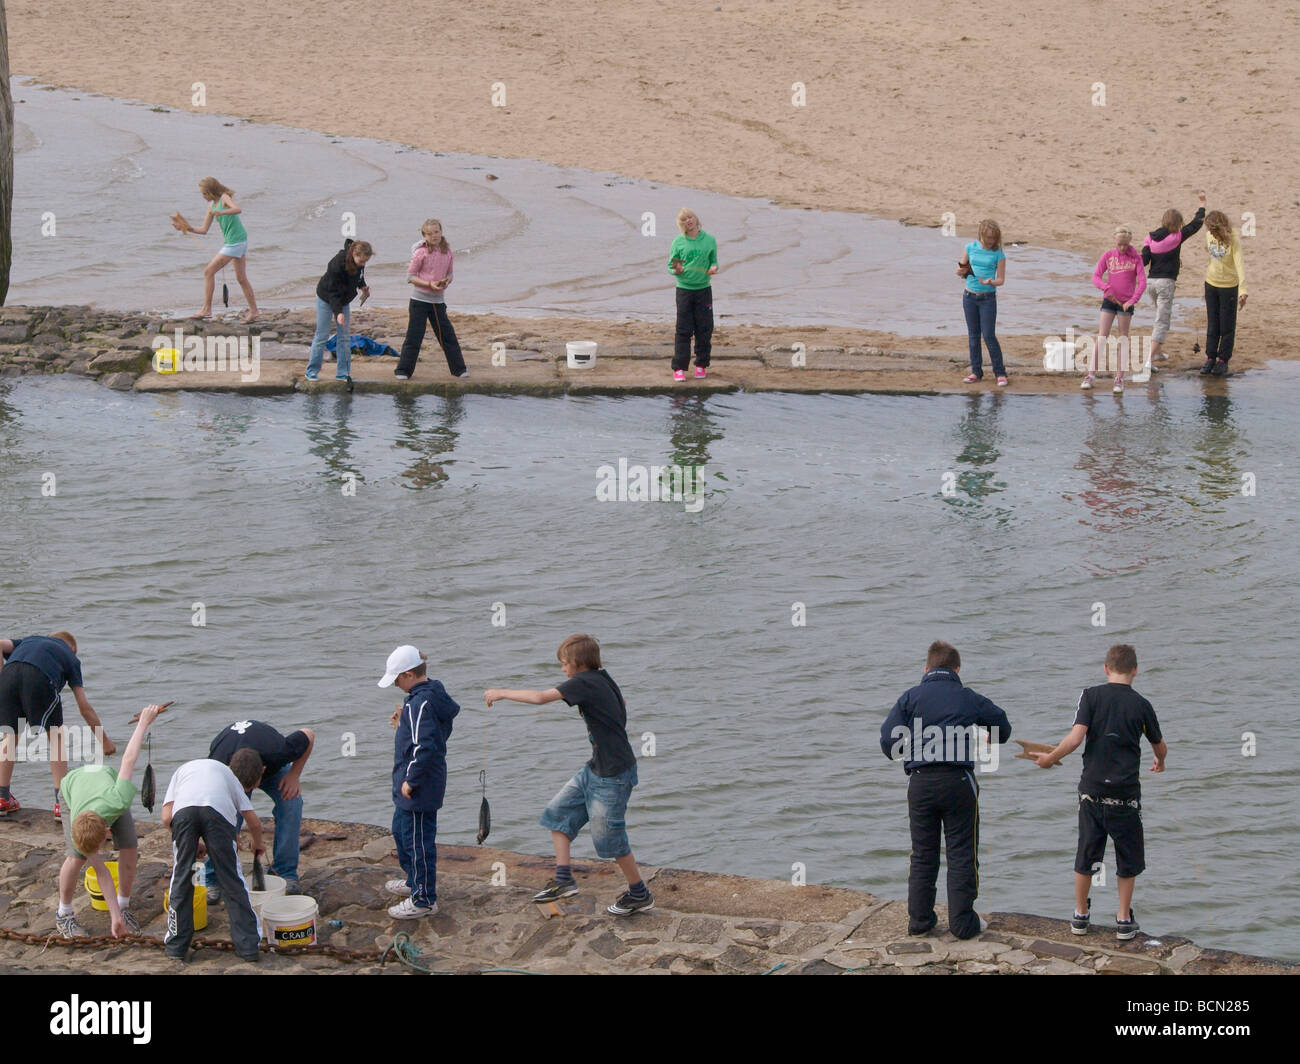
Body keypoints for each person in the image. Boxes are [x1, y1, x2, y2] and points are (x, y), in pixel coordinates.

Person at [484, 634, 652, 917]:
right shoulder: (602, 678)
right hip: (596, 768)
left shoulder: (584, 682)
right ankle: (564, 879)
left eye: (564, 663)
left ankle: (639, 893)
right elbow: (621, 700)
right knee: (558, 815)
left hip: (613, 775)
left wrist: (500, 692)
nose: (562, 669)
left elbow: (539, 698)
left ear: (579, 663)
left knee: (610, 839)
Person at [1029, 644, 1167, 942]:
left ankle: (1080, 914)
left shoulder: (1090, 696)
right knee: (1127, 857)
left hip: (1091, 792)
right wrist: (1161, 760)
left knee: (1087, 852)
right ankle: (1123, 918)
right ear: (1135, 670)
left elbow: (1076, 737)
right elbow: (1159, 745)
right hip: (1125, 796)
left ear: (1106, 669)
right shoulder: (1142, 705)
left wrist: (1050, 759)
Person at [879, 640, 1012, 939]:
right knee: (962, 852)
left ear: (926, 668)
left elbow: (889, 744)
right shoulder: (966, 696)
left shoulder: (909, 698)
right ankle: (963, 923)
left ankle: (920, 921)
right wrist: (988, 733)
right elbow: (1003, 727)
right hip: (958, 781)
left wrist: (914, 743)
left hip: (921, 781)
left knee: (923, 854)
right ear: (956, 668)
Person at [54, 704, 163, 939]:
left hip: (104, 782)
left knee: (130, 846)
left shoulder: (117, 799)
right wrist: (111, 917)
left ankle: (124, 906)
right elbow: (101, 871)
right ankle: (64, 913)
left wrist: (144, 721)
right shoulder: (78, 825)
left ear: (107, 830)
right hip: (72, 788)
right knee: (75, 857)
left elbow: (129, 759)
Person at [378, 645, 460, 919]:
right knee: (401, 832)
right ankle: (415, 882)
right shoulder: (427, 698)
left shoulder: (420, 703)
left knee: (417, 842)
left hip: (418, 786)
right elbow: (433, 733)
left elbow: (426, 746)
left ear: (409, 675)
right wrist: (403, 723)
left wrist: (411, 780)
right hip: (416, 780)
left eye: (398, 679)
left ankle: (423, 899)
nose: (396, 685)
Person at [161, 753, 267, 964]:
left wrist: (192, 844)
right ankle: (248, 947)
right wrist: (258, 843)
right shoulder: (229, 776)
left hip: (183, 815)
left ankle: (176, 946)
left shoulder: (182, 770)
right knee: (231, 879)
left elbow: (166, 817)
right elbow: (253, 822)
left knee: (182, 878)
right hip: (217, 815)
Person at [0, 631, 116, 819]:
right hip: (39, 677)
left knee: (10, 735)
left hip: (8, 676)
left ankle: (2, 798)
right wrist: (104, 741)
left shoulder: (28, 641)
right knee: (55, 737)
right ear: (73, 648)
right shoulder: (70, 656)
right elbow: (84, 707)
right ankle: (61, 804)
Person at [206, 719, 315, 897]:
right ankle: (212, 876)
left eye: (250, 788)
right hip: (234, 766)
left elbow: (308, 734)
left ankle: (284, 872)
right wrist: (228, 829)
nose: (247, 793)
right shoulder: (217, 765)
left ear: (264, 771)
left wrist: (294, 775)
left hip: (264, 756)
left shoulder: (279, 752)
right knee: (226, 816)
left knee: (291, 802)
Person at [175, 176, 260, 323]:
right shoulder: (211, 207)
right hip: (236, 241)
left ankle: (207, 309)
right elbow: (203, 230)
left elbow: (237, 209)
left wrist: (222, 212)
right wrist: (185, 228)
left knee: (208, 271)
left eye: (204, 193)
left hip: (236, 242)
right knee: (241, 278)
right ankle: (254, 312)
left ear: (211, 192)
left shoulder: (224, 198)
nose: (203, 196)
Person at [395, 219, 466, 380]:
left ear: (441, 232)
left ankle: (459, 370)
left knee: (448, 336)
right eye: (430, 233)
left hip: (438, 302)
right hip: (419, 301)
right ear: (424, 235)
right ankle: (403, 371)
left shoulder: (448, 252)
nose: (434, 235)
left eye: (436, 232)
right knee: (414, 336)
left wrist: (447, 280)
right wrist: (429, 284)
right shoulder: (420, 252)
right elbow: (410, 277)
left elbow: (450, 274)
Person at [1140, 191, 1206, 364]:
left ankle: (1158, 353)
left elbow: (1143, 261)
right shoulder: (1176, 237)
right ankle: (1149, 360)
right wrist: (1202, 204)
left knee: (1159, 316)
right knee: (1162, 321)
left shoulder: (1150, 238)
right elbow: (1195, 225)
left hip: (1151, 284)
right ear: (1177, 224)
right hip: (1165, 284)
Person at [1084, 226, 1147, 393]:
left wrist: (1132, 300)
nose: (1122, 248)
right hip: (1109, 300)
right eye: (1120, 244)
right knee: (1102, 336)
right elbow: (1095, 277)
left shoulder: (1136, 259)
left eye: (1125, 245)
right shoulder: (1108, 256)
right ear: (1115, 241)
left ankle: (1119, 377)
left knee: (1123, 338)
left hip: (1126, 303)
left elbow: (1142, 283)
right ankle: (1090, 374)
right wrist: (1106, 288)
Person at [305, 238, 373, 382]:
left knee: (344, 336)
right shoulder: (336, 264)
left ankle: (343, 372)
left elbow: (358, 276)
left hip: (344, 299)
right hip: (326, 297)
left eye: (365, 262)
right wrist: (339, 313)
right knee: (322, 334)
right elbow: (333, 292)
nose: (363, 264)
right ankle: (312, 370)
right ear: (354, 254)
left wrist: (363, 287)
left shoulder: (360, 262)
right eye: (361, 261)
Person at [667, 208, 718, 381]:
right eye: (683, 220)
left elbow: (714, 261)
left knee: (704, 328)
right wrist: (677, 269)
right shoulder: (678, 242)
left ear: (695, 218)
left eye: (690, 217)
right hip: (684, 290)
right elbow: (672, 265)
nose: (688, 221)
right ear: (681, 225)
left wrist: (713, 268)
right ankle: (679, 368)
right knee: (683, 329)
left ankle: (701, 365)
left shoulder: (709, 240)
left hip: (703, 289)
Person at [958, 220, 1009, 387]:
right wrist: (961, 271)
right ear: (981, 234)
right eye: (988, 238)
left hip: (988, 298)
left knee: (988, 335)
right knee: (973, 336)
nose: (991, 241)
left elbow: (1001, 279)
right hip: (969, 296)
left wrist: (991, 282)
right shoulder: (969, 248)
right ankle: (976, 372)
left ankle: (1000, 373)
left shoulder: (998, 253)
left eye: (994, 238)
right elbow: (961, 269)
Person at [1201, 210, 1247, 377]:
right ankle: (1210, 357)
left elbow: (1239, 263)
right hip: (1211, 284)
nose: (1210, 233)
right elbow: (1210, 259)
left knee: (1226, 325)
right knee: (1213, 324)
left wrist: (1243, 290)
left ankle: (1223, 360)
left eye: (1213, 230)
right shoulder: (1208, 236)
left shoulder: (1233, 237)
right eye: (1209, 230)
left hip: (1229, 286)